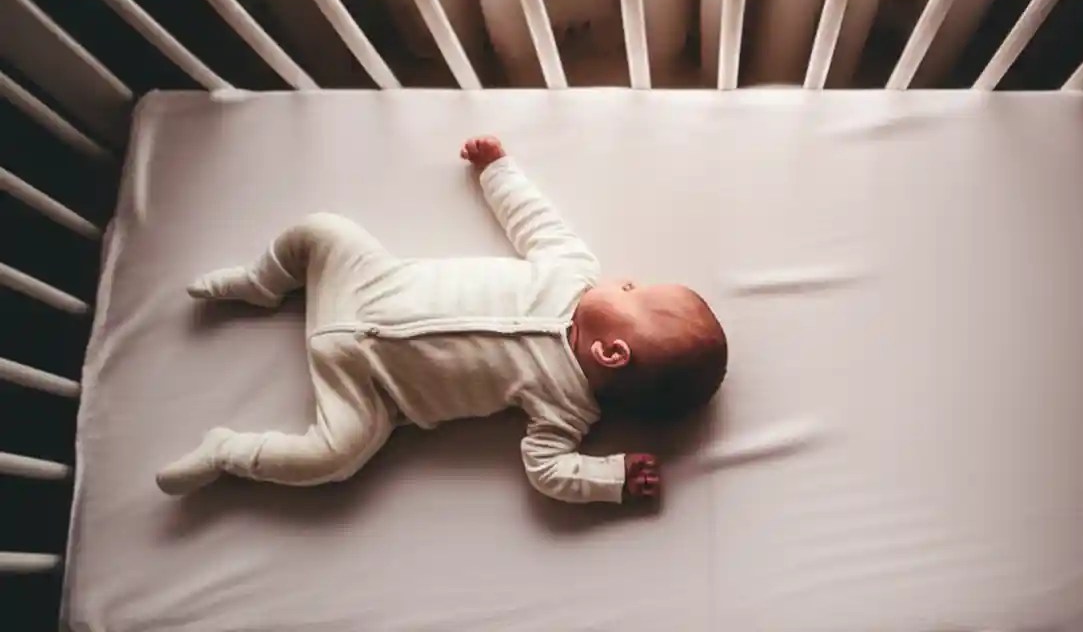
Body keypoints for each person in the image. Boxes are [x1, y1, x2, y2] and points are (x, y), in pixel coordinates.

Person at [157, 136, 727, 504]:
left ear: (612, 354)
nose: (626, 278)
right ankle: (262, 283)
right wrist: (497, 170)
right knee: (323, 229)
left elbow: (547, 471)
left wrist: (612, 478)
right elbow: (536, 222)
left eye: (633, 291)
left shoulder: (569, 408)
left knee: (334, 458)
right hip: (368, 284)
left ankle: (227, 451)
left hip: (374, 389)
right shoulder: (571, 270)